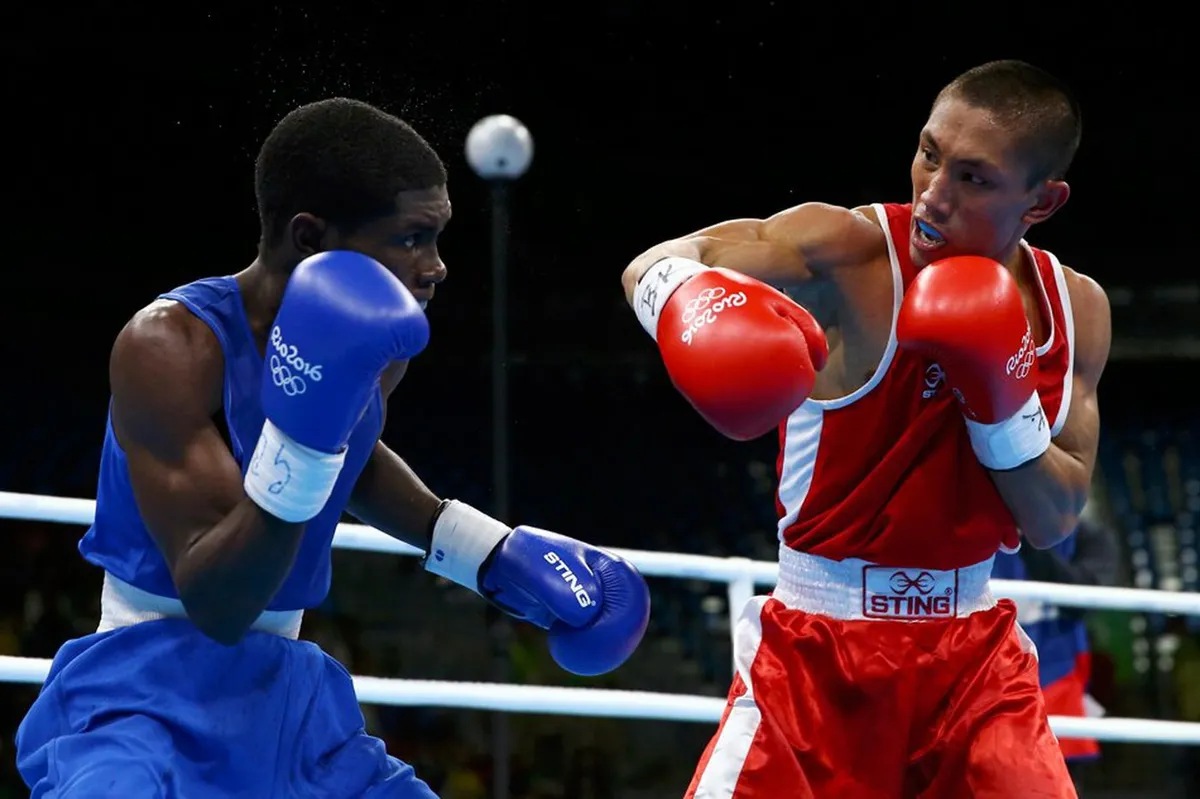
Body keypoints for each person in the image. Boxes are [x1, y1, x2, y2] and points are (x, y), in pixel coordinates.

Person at [16, 97, 651, 798]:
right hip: (143, 691)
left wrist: (487, 552)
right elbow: (219, 602)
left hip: (290, 697)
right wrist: (305, 437)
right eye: (412, 238)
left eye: (438, 238)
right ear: (312, 237)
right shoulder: (170, 346)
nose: (436, 266)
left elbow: (352, 454)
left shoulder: (378, 346)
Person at [621, 59, 1111, 798]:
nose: (933, 196)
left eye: (973, 179)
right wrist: (692, 308)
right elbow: (654, 262)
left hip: (973, 663)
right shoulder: (846, 252)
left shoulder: (1073, 308)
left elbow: (1055, 518)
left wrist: (1000, 404)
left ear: (1042, 201)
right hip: (817, 656)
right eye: (928, 154)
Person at [991, 512, 1120, 780]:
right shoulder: (966, 528)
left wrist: (1029, 536)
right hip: (978, 686)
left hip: (1056, 685)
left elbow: (1080, 602)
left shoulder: (1089, 536)